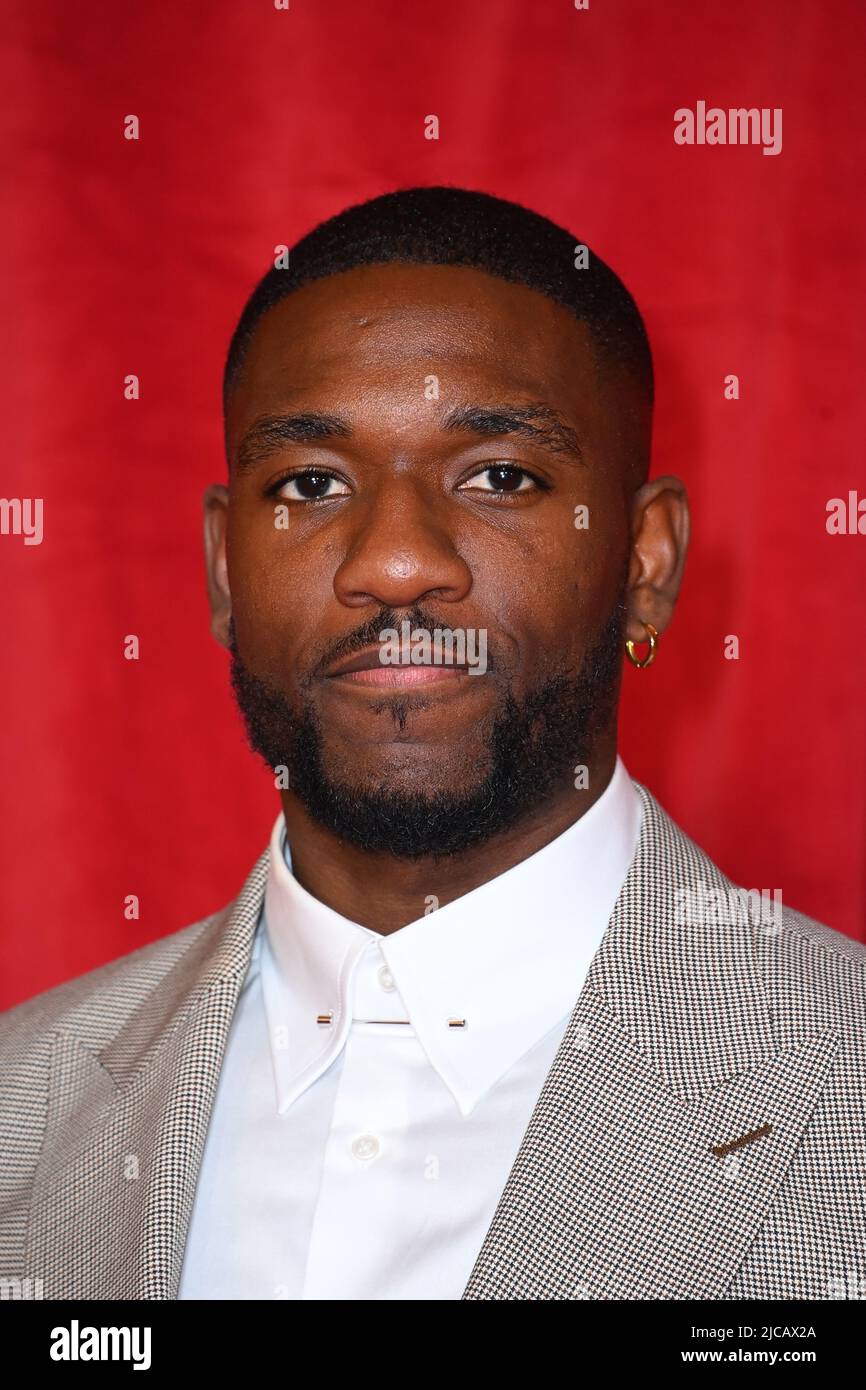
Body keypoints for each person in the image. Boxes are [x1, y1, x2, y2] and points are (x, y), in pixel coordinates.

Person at [1, 186, 863, 1301]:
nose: (395, 561)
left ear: (644, 564)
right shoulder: (25, 1100)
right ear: (223, 571)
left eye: (500, 476)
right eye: (310, 484)